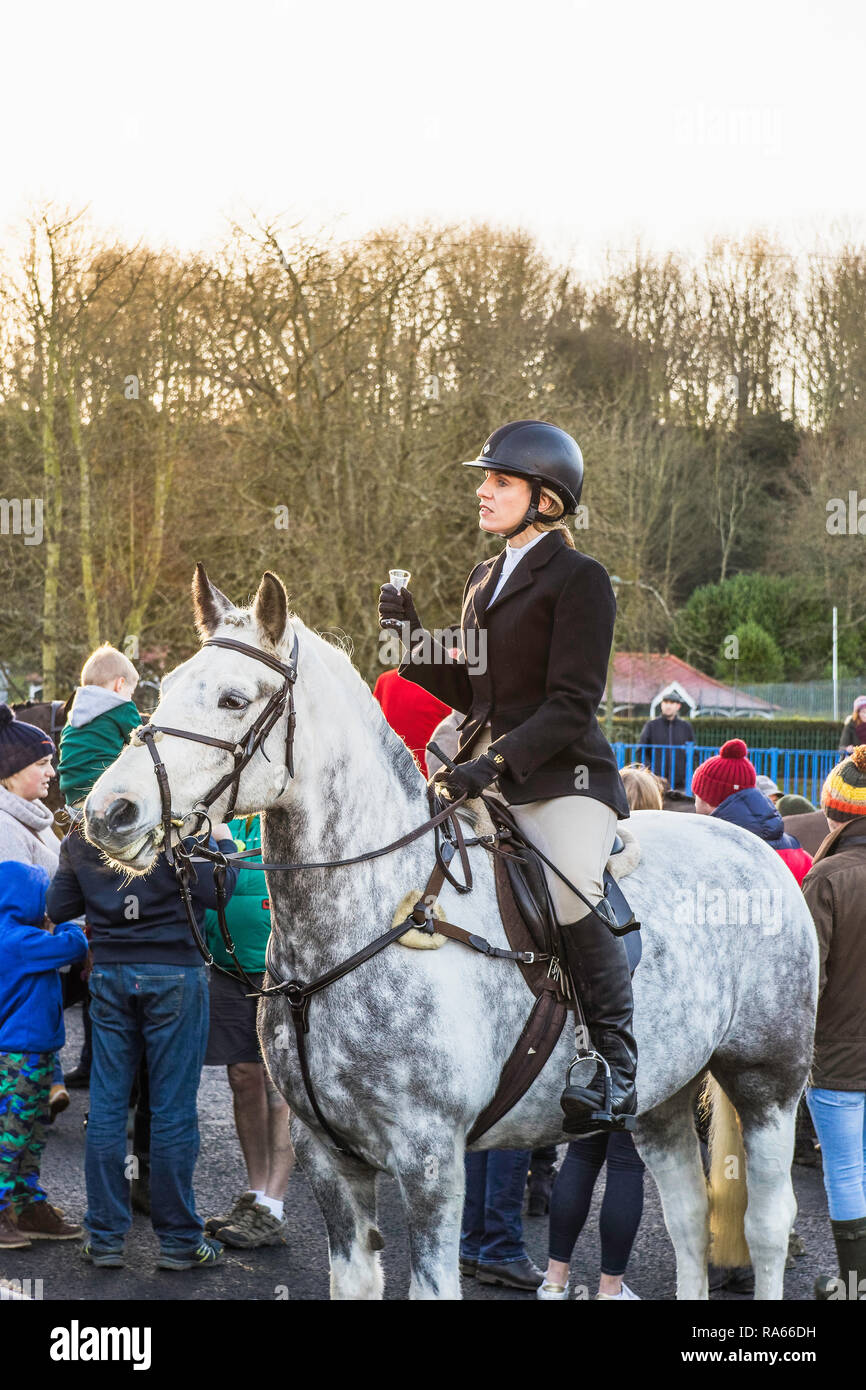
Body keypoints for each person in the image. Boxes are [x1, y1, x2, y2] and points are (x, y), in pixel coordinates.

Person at [379, 419, 635, 1136]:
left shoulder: (582, 582)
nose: (483, 491)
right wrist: (408, 640)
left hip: (564, 779)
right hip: (485, 773)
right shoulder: (483, 577)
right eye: (485, 480)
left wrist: (488, 764)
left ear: (546, 500)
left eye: (500, 481)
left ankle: (613, 1058)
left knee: (568, 888)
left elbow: (570, 703)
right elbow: (474, 692)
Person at [46, 819, 239, 1270]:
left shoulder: (85, 832)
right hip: (176, 971)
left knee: (108, 1106)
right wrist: (224, 840)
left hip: (112, 971)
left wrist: (81, 867)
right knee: (173, 1108)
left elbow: (59, 904)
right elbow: (220, 891)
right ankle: (179, 1241)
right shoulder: (182, 827)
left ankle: (105, 1237)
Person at [537, 763, 649, 1301]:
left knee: (581, 1155)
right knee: (625, 1159)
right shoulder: (622, 875)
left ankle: (555, 1281)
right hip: (622, 1032)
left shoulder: (556, 858)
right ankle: (611, 1289)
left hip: (578, 1038)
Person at [202, 814, 294, 1249]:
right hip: (227, 968)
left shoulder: (281, 814)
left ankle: (274, 1204)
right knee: (242, 1077)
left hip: (282, 973)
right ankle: (256, 1191)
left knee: (281, 1089)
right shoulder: (217, 818)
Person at [802, 747, 866, 1300]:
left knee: (847, 1174)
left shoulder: (826, 877)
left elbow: (809, 982)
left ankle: (854, 1285)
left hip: (838, 1060)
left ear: (838, 815)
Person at [0, 861, 88, 1250]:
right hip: (20, 1057)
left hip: (37, 1053)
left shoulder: (20, 936)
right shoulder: (18, 941)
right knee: (10, 1136)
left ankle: (25, 1203)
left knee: (32, 1134)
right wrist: (66, 921)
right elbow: (75, 945)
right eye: (45, 895)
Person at [0, 704, 72, 1120]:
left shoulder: (34, 818)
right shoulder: (6, 828)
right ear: (11, 769)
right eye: (42, 763)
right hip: (20, 980)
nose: (52, 773)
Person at [692, 739, 813, 886]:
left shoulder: (705, 852)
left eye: (696, 794)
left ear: (708, 799)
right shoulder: (799, 854)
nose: (695, 800)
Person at [57, 643, 141, 808]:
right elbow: (143, 741)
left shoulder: (76, 712)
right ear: (120, 684)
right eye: (130, 692)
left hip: (72, 797)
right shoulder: (122, 707)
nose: (130, 698)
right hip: (105, 793)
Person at [373, 666, 451, 779]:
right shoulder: (446, 685)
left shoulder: (384, 680)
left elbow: (373, 729)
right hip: (432, 781)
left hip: (390, 778)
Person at [636, 696, 695, 791]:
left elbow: (692, 753)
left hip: (680, 783)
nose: (668, 706)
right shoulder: (651, 725)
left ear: (678, 706)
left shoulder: (686, 727)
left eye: (672, 703)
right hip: (655, 782)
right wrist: (650, 772)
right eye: (665, 702)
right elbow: (641, 751)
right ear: (661, 705)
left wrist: (685, 773)